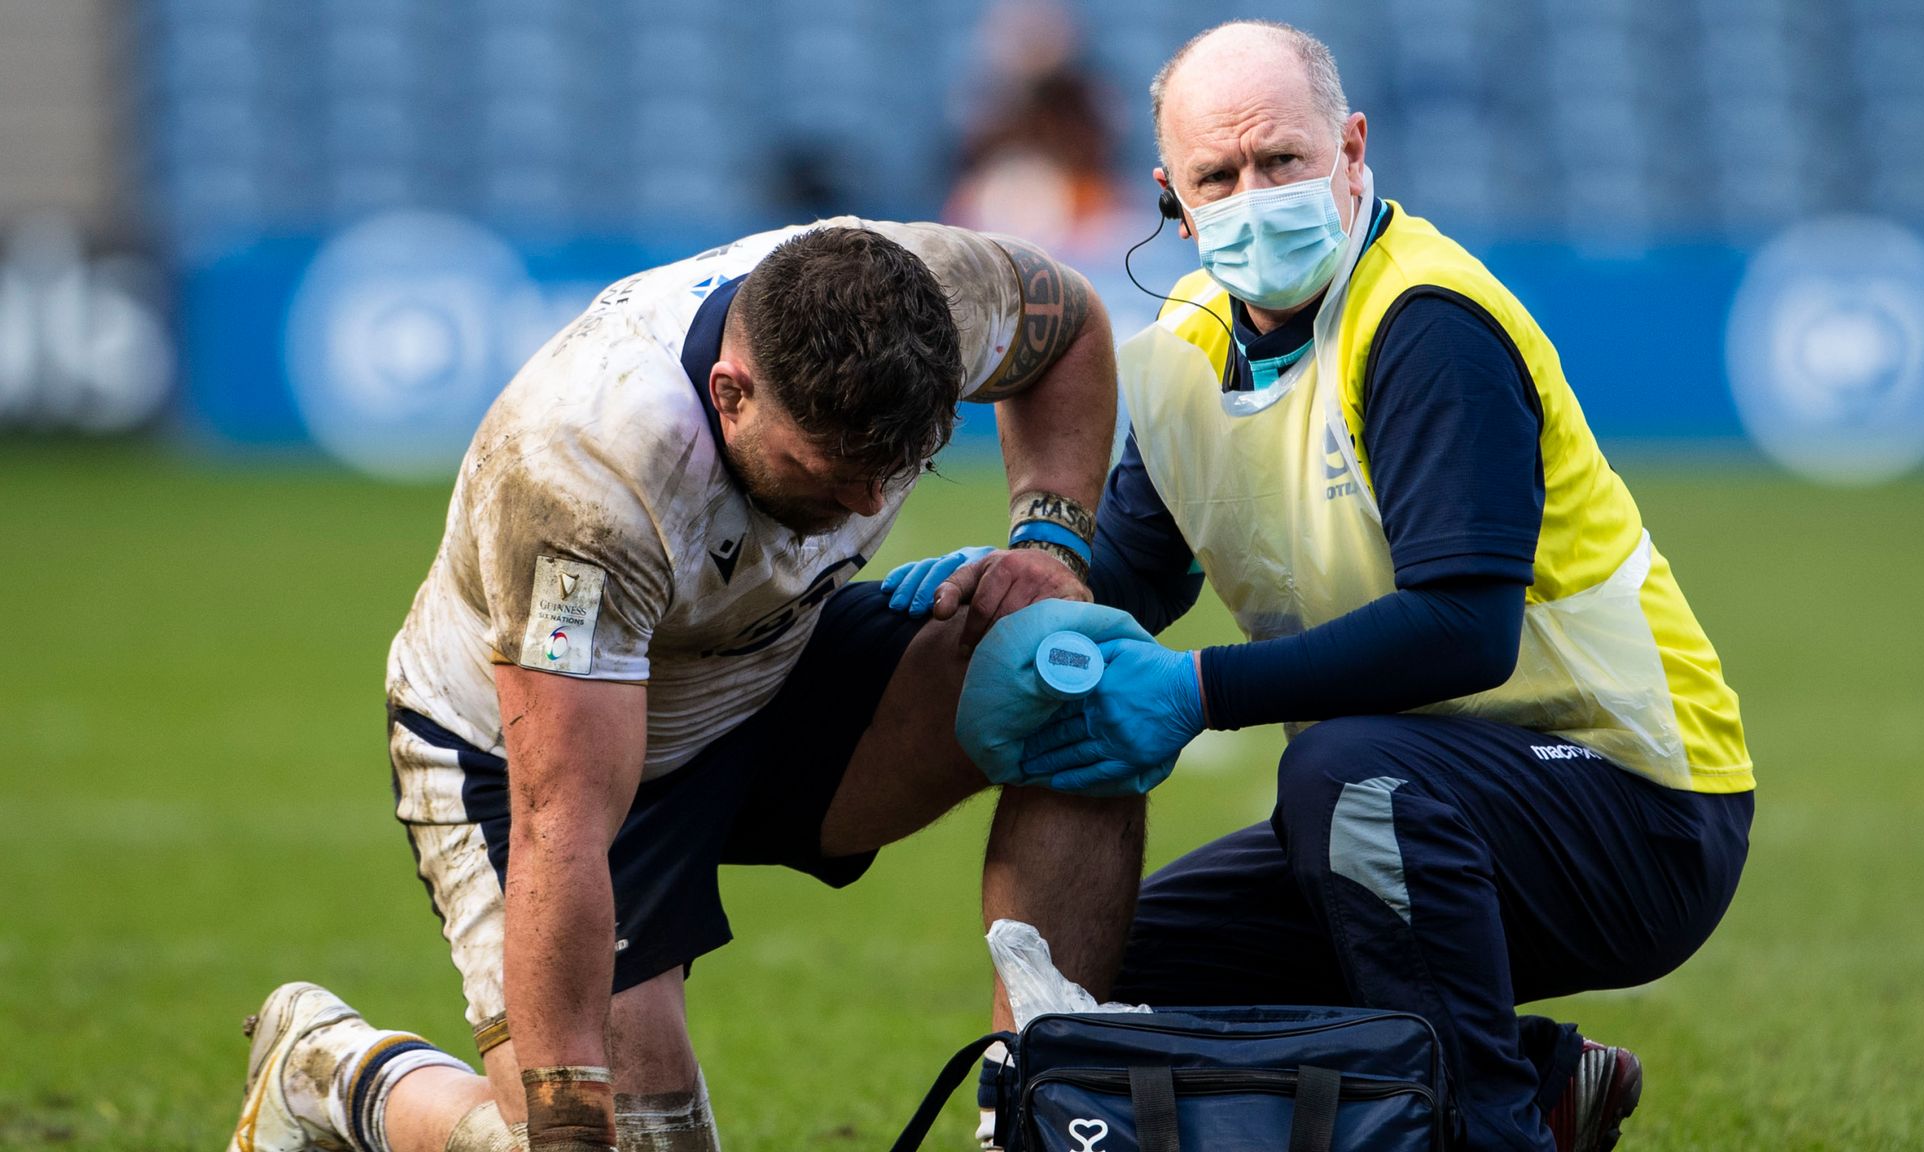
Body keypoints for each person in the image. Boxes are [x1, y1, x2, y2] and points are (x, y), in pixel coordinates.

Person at [927, 20, 1755, 1152]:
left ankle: (1487, 1131)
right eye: (1217, 175)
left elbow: (1465, 631)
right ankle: (1539, 1081)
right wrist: (1027, 581)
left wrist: (1197, 690)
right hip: (1418, 796)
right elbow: (1132, 574)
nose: (1253, 194)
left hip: (1634, 800)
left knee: (1347, 771)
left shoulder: (1424, 321)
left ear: (1352, 149)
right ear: (1170, 194)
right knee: (1134, 967)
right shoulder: (1177, 348)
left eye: (1282, 161)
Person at [227, 220, 1140, 1152]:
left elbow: (1066, 330)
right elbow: (564, 825)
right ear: (730, 394)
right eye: (830, 475)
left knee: (1077, 680)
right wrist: (571, 1128)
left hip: (765, 665)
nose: (871, 506)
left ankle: (1044, 1110)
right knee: (597, 1139)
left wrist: (1052, 541)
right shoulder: (583, 471)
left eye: (901, 467)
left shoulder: (931, 295)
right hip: (528, 754)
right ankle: (339, 1074)